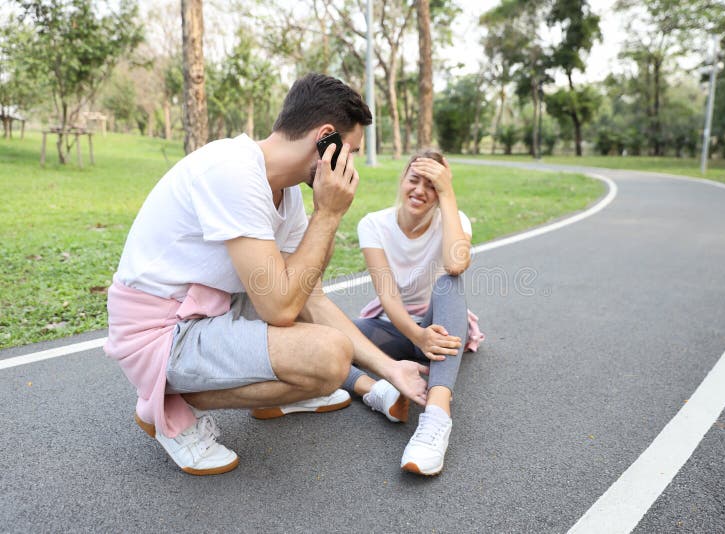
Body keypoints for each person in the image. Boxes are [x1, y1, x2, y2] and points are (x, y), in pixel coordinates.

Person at [104, 73, 429, 476]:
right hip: (159, 335)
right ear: (326, 138)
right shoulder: (233, 172)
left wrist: (392, 368)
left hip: (208, 314)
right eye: (352, 151)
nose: (353, 165)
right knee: (328, 357)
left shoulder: (287, 191)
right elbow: (279, 307)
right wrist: (327, 214)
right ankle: (163, 407)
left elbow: (310, 298)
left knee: (323, 357)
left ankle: (276, 394)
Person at [342, 150, 483, 476]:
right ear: (402, 181)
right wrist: (416, 334)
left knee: (449, 283)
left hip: (440, 326)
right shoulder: (373, 224)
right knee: (331, 336)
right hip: (395, 327)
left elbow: (455, 264)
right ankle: (378, 391)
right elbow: (388, 296)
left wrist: (448, 195)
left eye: (432, 185)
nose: (420, 190)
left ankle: (436, 414)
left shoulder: (455, 221)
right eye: (414, 179)